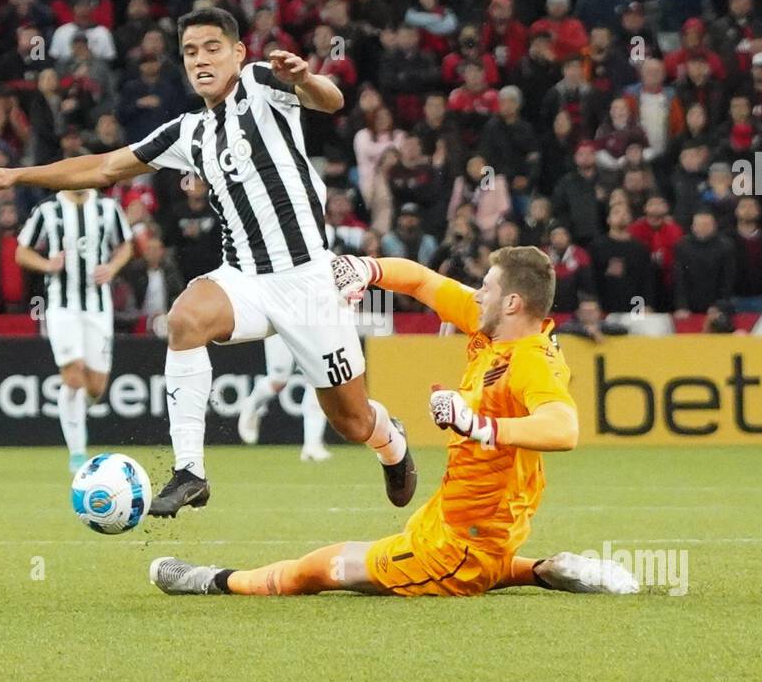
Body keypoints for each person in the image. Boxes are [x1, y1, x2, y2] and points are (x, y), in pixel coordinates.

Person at [0, 7, 416, 517]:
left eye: (211, 47)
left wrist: (307, 77)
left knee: (352, 422)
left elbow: (332, 102)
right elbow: (103, 167)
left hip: (308, 280)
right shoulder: (187, 132)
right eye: (190, 52)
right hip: (243, 278)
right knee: (183, 319)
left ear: (237, 53)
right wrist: (17, 175)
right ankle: (190, 472)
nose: (200, 59)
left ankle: (392, 444)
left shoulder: (263, 82)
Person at [149, 247, 639, 598]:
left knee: (320, 570)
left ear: (513, 303)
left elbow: (563, 428)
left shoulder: (532, 360)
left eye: (486, 289)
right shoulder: (491, 325)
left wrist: (481, 426)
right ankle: (547, 570)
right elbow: (422, 281)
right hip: (457, 523)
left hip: (460, 545)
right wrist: (368, 268)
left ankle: (207, 580)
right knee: (473, 561)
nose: (476, 295)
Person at [16, 187, 133, 471]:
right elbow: (21, 252)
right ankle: (77, 453)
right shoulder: (47, 210)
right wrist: (47, 264)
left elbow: (126, 245)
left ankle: (76, 416)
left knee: (96, 387)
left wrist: (113, 267)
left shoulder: (107, 207)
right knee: (73, 376)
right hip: (61, 305)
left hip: (98, 307)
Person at [238, 334, 331, 462]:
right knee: (277, 381)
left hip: (312, 325)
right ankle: (252, 404)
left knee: (318, 379)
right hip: (281, 323)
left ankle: (312, 445)